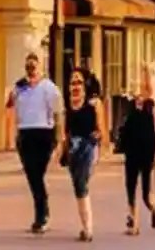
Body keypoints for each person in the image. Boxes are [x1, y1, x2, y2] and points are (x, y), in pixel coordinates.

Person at [5, 50, 63, 234]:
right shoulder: (20, 87)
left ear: (40, 67)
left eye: (34, 66)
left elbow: (58, 112)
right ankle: (42, 213)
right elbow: (8, 104)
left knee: (37, 174)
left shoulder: (49, 88)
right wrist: (14, 89)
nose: (31, 70)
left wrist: (59, 137)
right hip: (25, 133)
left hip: (44, 133)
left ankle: (42, 213)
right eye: (28, 67)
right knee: (32, 174)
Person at [120, 63, 155, 235]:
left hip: (146, 151)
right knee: (130, 186)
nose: (141, 83)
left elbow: (150, 89)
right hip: (131, 150)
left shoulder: (150, 104)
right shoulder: (132, 103)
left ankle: (154, 208)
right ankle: (133, 222)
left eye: (143, 80)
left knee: (146, 194)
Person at [62, 67, 104, 242]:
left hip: (88, 146)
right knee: (78, 187)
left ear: (85, 84)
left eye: (79, 81)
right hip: (73, 149)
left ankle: (88, 229)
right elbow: (65, 131)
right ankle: (85, 226)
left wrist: (99, 145)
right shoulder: (69, 105)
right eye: (73, 82)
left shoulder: (94, 104)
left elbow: (101, 130)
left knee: (82, 183)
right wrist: (63, 150)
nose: (76, 85)